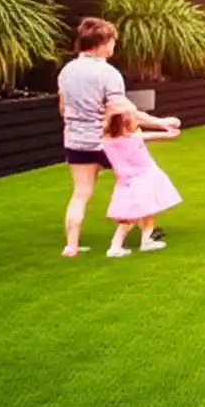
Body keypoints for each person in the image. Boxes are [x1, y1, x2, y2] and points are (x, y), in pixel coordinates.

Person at [59, 17, 179, 257]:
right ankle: (145, 236)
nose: (114, 45)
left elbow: (63, 108)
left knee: (80, 193)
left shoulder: (66, 72)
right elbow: (123, 112)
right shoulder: (108, 73)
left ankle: (71, 246)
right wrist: (160, 122)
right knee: (142, 180)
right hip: (110, 142)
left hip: (76, 140)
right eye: (113, 40)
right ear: (103, 42)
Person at [101, 101, 183, 258]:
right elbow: (150, 136)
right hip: (143, 178)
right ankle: (120, 245)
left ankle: (138, 241)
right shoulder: (134, 139)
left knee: (137, 214)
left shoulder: (107, 141)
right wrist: (168, 132)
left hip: (126, 182)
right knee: (137, 215)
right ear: (127, 123)